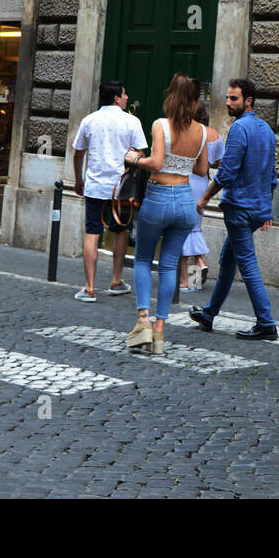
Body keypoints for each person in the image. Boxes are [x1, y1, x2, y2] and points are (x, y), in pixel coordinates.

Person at [122, 74, 209, 354]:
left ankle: (143, 322)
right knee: (170, 265)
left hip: (159, 196)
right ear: (195, 101)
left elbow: (156, 162)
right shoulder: (203, 132)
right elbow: (201, 170)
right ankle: (159, 333)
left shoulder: (160, 125)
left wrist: (134, 159)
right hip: (186, 201)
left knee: (144, 259)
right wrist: (183, 160)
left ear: (171, 97)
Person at [189, 79, 279, 340]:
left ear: (248, 100)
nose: (228, 103)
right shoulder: (267, 130)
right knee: (229, 260)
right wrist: (267, 209)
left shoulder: (240, 128)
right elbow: (272, 176)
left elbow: (227, 172)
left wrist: (204, 199)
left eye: (234, 99)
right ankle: (208, 315)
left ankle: (266, 323)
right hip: (256, 208)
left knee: (247, 264)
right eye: (228, 98)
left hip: (240, 208)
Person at [70, 80, 147, 302]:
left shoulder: (89, 120)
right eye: (124, 95)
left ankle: (90, 287)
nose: (126, 98)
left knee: (92, 233)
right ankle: (116, 280)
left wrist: (78, 179)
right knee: (120, 231)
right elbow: (140, 155)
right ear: (116, 97)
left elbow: (78, 153)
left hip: (94, 185)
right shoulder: (131, 121)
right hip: (120, 188)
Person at [180, 101, 221, 292]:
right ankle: (198, 270)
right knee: (194, 228)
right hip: (203, 183)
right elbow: (218, 162)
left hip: (187, 180)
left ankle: (184, 281)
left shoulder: (187, 132)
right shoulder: (214, 134)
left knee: (181, 230)